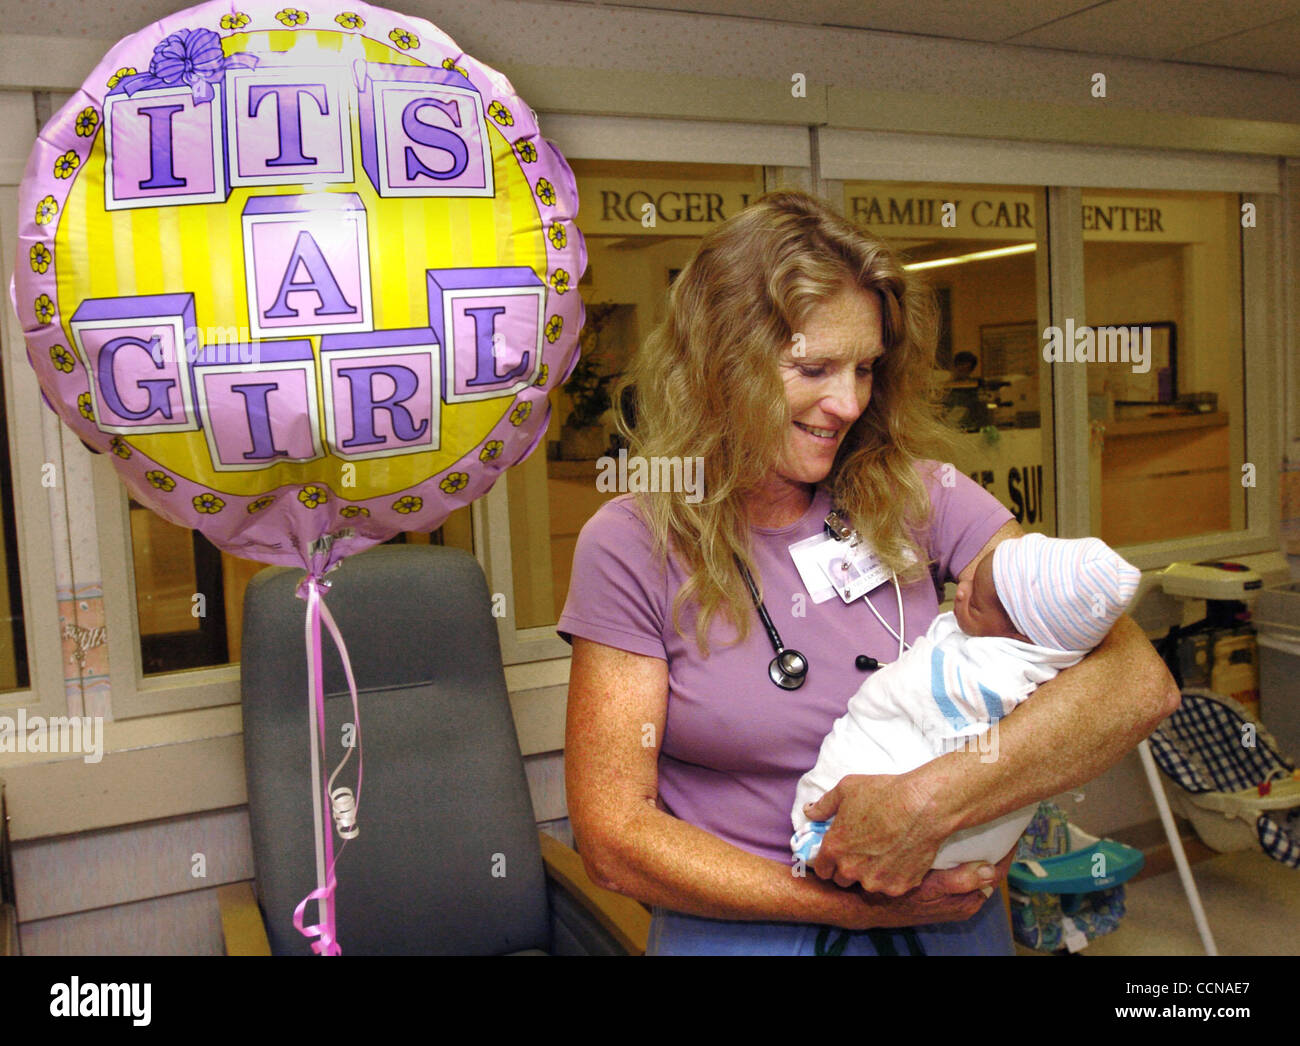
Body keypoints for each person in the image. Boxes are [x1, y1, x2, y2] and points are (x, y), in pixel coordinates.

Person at [558, 190, 1178, 956]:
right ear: (720, 362)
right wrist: (857, 910)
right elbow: (615, 839)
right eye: (813, 367)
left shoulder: (923, 496)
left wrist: (930, 805)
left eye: (865, 368)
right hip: (750, 934)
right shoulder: (633, 542)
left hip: (947, 923)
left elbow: (1135, 685)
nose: (848, 403)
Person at [792, 533, 1142, 872]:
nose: (961, 592)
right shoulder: (1011, 639)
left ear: (1021, 636)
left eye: (975, 603)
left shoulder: (993, 675)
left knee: (849, 776)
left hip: (925, 782)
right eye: (970, 580)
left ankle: (824, 834)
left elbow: (945, 716)